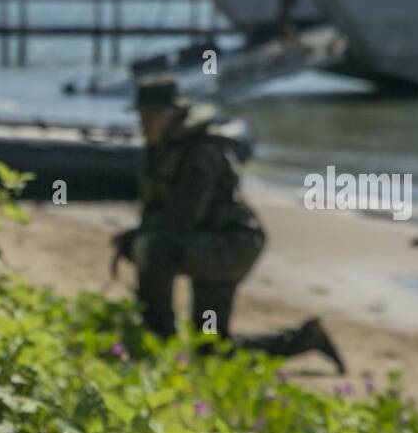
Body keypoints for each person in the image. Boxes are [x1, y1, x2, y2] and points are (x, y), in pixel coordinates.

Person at [112, 74, 346, 373]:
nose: (143, 125)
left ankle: (160, 345)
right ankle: (304, 340)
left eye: (150, 117)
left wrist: (138, 238)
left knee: (155, 250)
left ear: (171, 116)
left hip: (230, 247)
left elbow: (181, 220)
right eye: (141, 117)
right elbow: (156, 214)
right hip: (204, 246)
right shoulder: (155, 153)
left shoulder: (202, 152)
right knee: (210, 347)